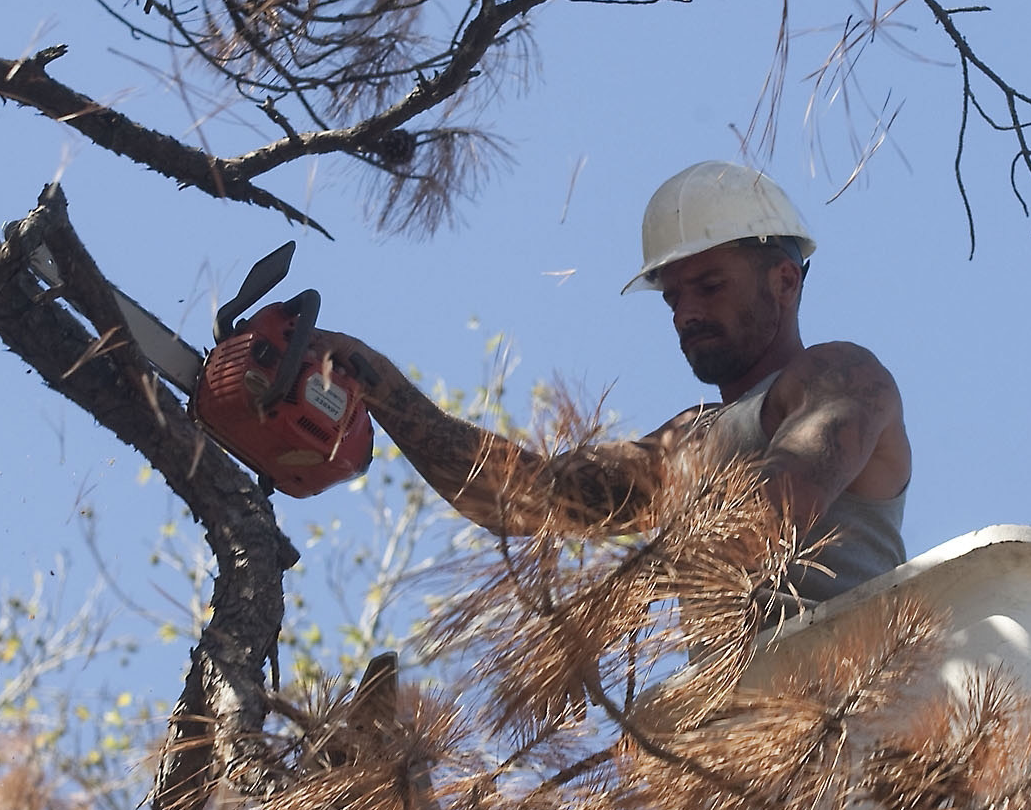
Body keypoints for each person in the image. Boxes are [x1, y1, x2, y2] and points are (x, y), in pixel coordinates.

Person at [312, 160, 911, 609]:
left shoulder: (841, 376)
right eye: (673, 296)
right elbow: (525, 498)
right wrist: (374, 378)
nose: (685, 313)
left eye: (709, 286)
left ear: (784, 280)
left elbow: (767, 517)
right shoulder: (686, 442)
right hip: (738, 739)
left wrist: (606, 607)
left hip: (864, 712)